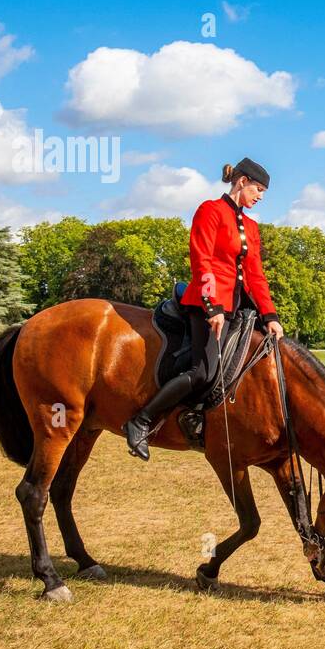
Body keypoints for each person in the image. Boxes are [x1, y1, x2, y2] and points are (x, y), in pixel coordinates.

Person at [123, 157, 284, 460]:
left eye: (263, 192)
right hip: (205, 304)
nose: (260, 196)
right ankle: (140, 421)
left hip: (238, 308)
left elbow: (255, 275)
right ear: (242, 181)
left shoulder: (250, 226)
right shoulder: (210, 210)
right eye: (258, 189)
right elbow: (201, 259)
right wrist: (212, 307)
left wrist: (270, 315)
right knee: (202, 372)